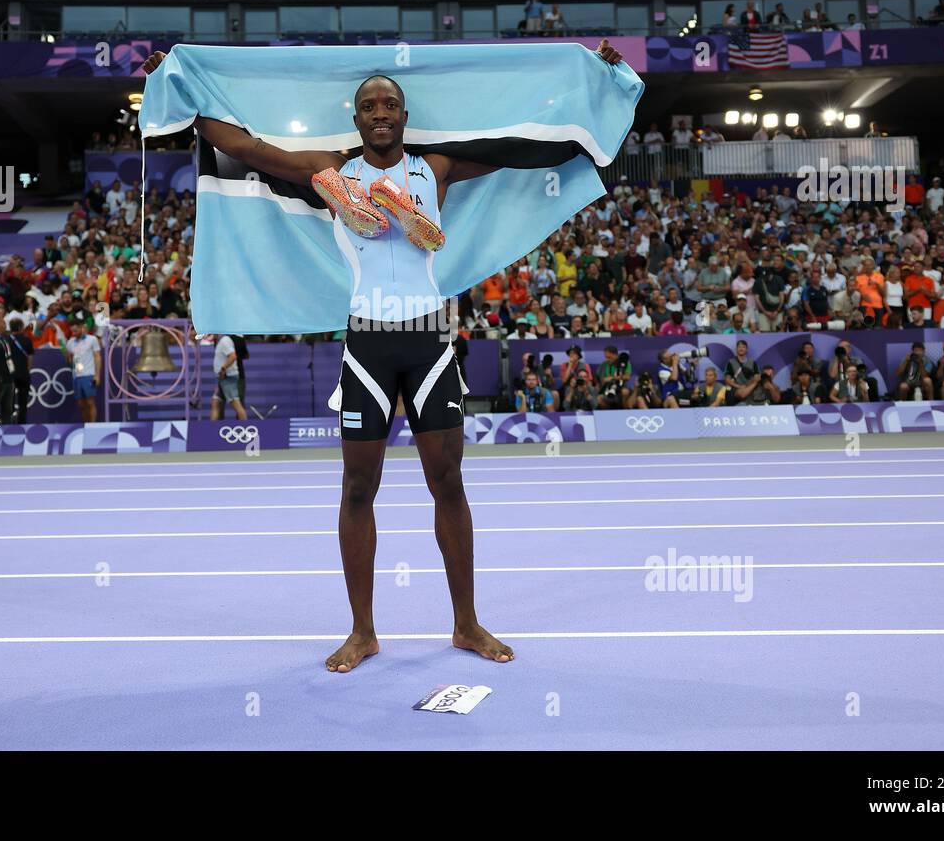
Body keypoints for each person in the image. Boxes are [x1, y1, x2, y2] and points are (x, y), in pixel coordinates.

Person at [142, 39, 626, 672]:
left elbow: (526, 147)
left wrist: (599, 84)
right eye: (369, 104)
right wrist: (176, 82)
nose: (379, 112)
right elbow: (245, 148)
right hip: (366, 343)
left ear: (403, 115)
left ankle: (466, 624)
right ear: (356, 116)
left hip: (428, 341)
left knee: (447, 481)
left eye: (389, 103)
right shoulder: (332, 172)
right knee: (356, 489)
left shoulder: (438, 168)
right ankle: (363, 631)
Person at [65, 316, 102, 423]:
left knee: (90, 402)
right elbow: (69, 360)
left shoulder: (92, 339)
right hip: (76, 376)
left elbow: (97, 357)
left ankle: (92, 425)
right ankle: (86, 424)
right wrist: (68, 358)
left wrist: (97, 375)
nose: (74, 333)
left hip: (89, 375)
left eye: (76, 331)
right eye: (72, 331)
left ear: (82, 328)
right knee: (81, 404)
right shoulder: (70, 342)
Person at [210, 333, 247, 420]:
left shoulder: (225, 341)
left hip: (227, 378)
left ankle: (245, 429)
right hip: (222, 378)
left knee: (236, 404)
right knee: (215, 402)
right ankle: (211, 430)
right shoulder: (222, 341)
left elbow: (233, 356)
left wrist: (223, 369)